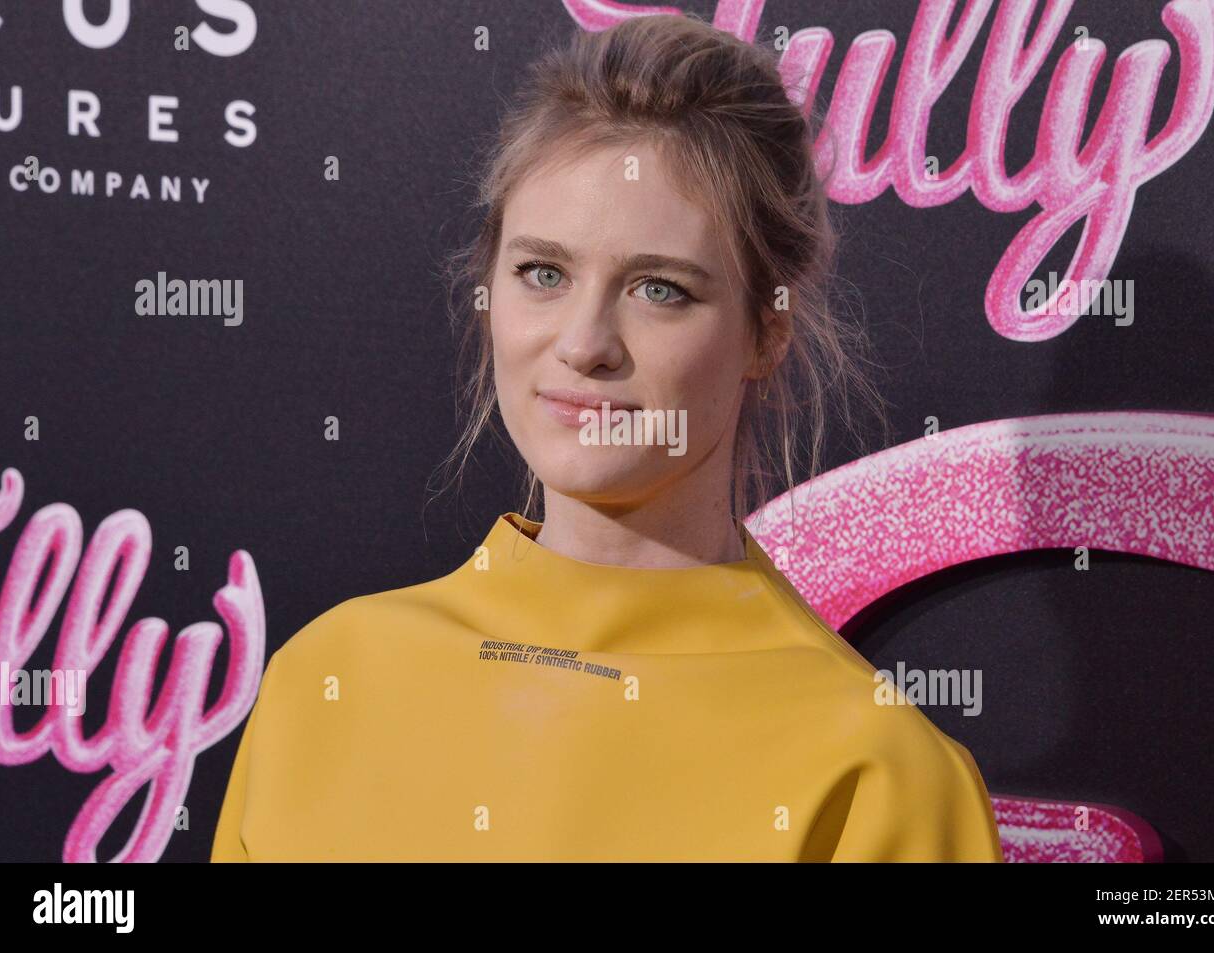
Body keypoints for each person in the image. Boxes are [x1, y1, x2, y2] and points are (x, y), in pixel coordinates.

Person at [211, 12, 1004, 862]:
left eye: (659, 289)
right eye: (543, 273)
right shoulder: (325, 681)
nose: (585, 343)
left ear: (766, 331)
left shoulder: (877, 775)